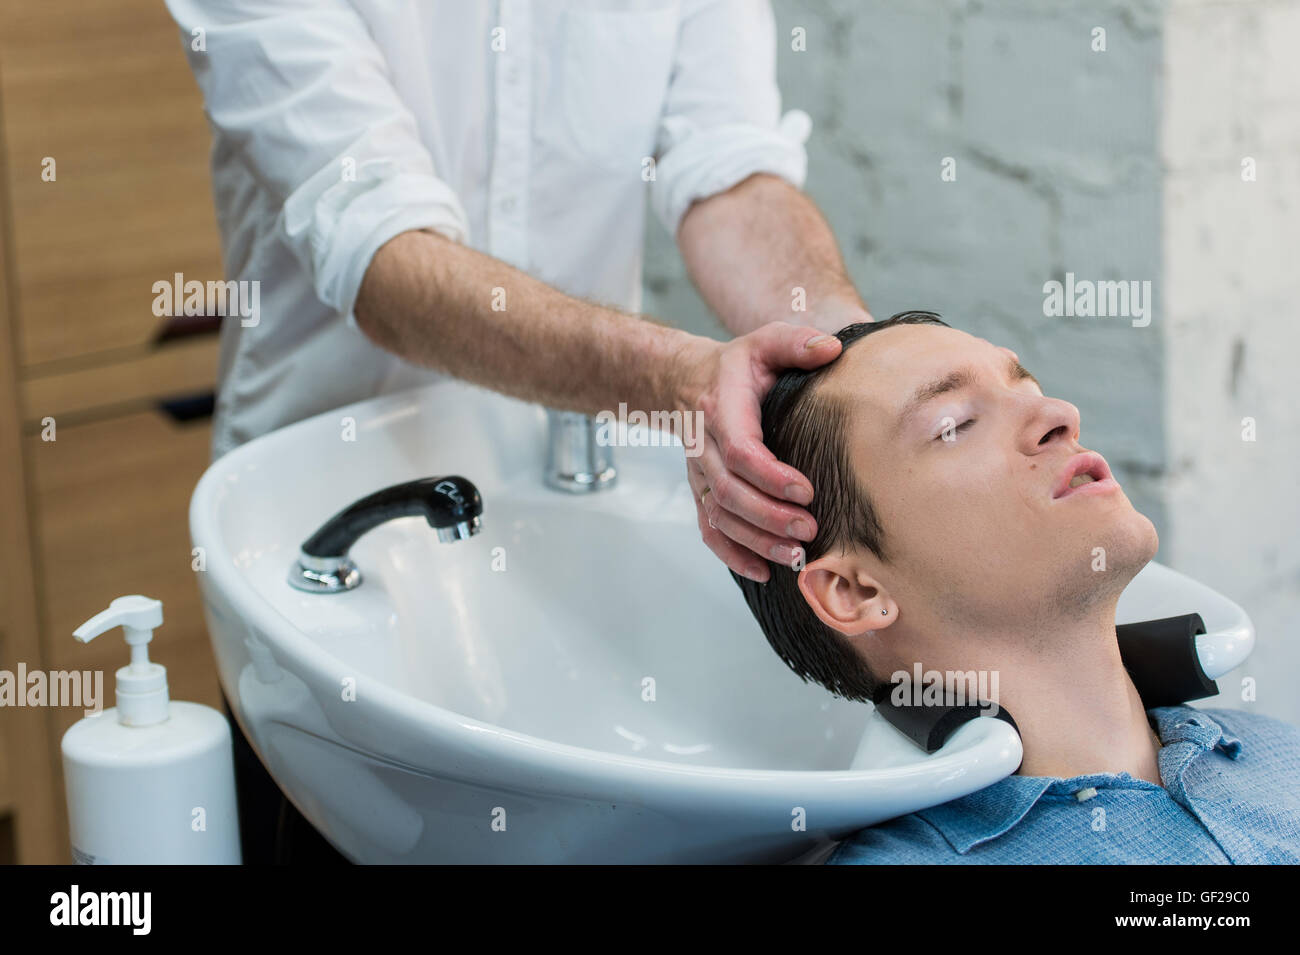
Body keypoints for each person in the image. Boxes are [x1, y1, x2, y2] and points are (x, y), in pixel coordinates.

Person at [164, 0, 871, 862]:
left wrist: (861, 364)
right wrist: (679, 380)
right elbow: (385, 253)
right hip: (336, 533)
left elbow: (730, 173)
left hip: (571, 482)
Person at [735, 312, 1300, 864]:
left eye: (1028, 387)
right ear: (855, 591)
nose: (1060, 414)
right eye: (956, 423)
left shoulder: (1282, 753)